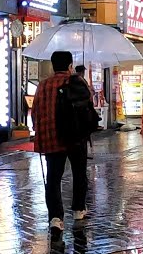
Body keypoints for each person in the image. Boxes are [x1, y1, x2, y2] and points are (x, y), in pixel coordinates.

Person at [32, 51, 98, 234]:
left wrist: (39, 130)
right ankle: (78, 210)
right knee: (79, 173)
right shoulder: (77, 82)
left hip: (52, 138)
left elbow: (35, 112)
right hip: (76, 137)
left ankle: (56, 218)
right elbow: (88, 106)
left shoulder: (43, 85)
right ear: (70, 66)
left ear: (53, 66)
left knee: (53, 178)